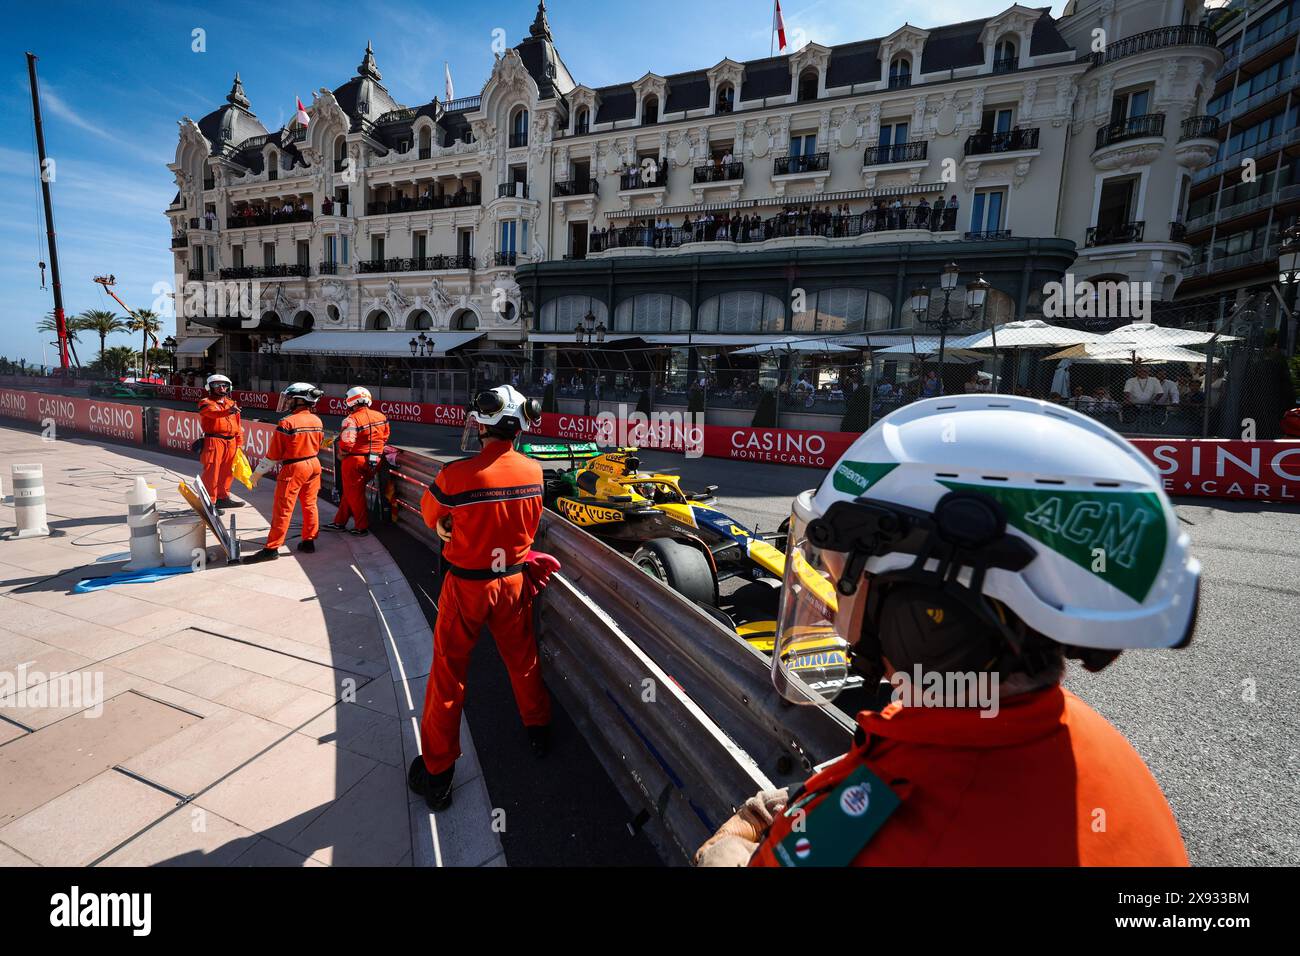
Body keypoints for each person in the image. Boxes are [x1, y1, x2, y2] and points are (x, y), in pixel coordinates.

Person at [696, 393, 1198, 867]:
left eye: (843, 575)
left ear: (928, 615)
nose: (831, 600)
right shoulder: (1098, 747)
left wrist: (740, 832)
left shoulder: (877, 836)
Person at [409, 385, 552, 811]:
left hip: (467, 586)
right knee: (522, 658)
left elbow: (431, 513)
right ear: (522, 424)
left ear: (483, 424)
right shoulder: (534, 472)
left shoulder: (455, 475)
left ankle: (438, 775)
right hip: (512, 583)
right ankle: (538, 729)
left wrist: (446, 528)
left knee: (449, 675)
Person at [242, 382, 325, 563]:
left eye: (290, 399)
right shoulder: (317, 420)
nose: (288, 402)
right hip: (314, 464)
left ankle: (272, 548)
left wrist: (257, 473)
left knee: (283, 509)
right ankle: (309, 541)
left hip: (294, 468)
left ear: (300, 400)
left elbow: (273, 454)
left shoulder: (287, 422)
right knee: (310, 504)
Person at [324, 386, 390, 537]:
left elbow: (346, 444)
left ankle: (361, 527)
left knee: (355, 495)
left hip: (355, 461)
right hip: (376, 460)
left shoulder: (351, 419)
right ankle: (339, 522)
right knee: (351, 493)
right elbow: (385, 437)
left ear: (351, 401)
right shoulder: (381, 416)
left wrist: (341, 454)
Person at [197, 374, 245, 510]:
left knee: (228, 471)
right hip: (214, 440)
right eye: (217, 385)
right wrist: (228, 411)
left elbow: (238, 424)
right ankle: (209, 502)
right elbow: (212, 413)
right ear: (209, 387)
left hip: (231, 441)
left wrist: (239, 443)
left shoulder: (231, 403)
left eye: (224, 385)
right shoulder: (205, 402)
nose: (221, 388)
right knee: (212, 472)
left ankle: (223, 498)